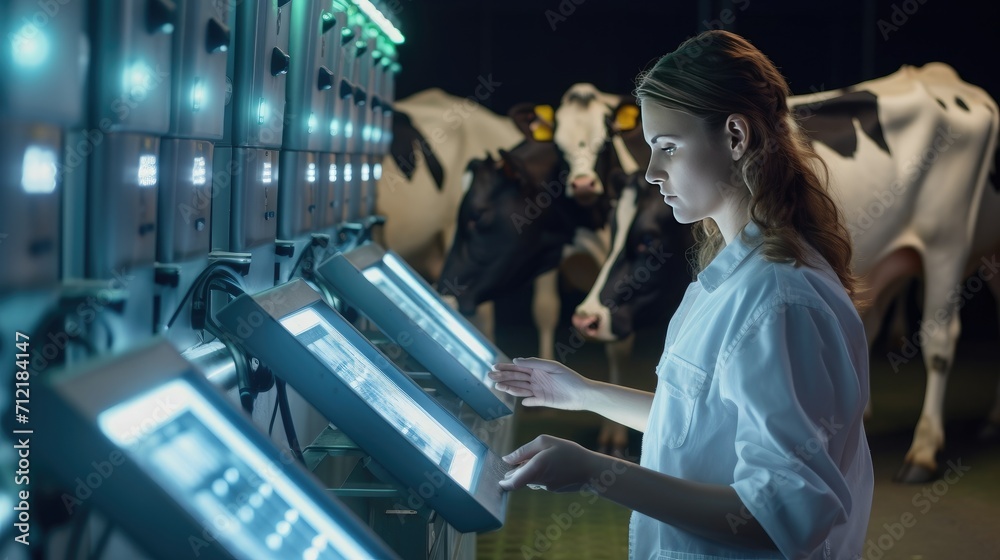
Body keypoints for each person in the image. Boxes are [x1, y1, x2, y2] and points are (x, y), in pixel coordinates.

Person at [489, 29, 874, 559]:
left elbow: (781, 516)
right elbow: (704, 422)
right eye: (650, 149)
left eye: (668, 147)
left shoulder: (780, 302)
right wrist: (581, 393)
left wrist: (595, 472)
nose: (651, 172)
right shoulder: (734, 276)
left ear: (736, 137)